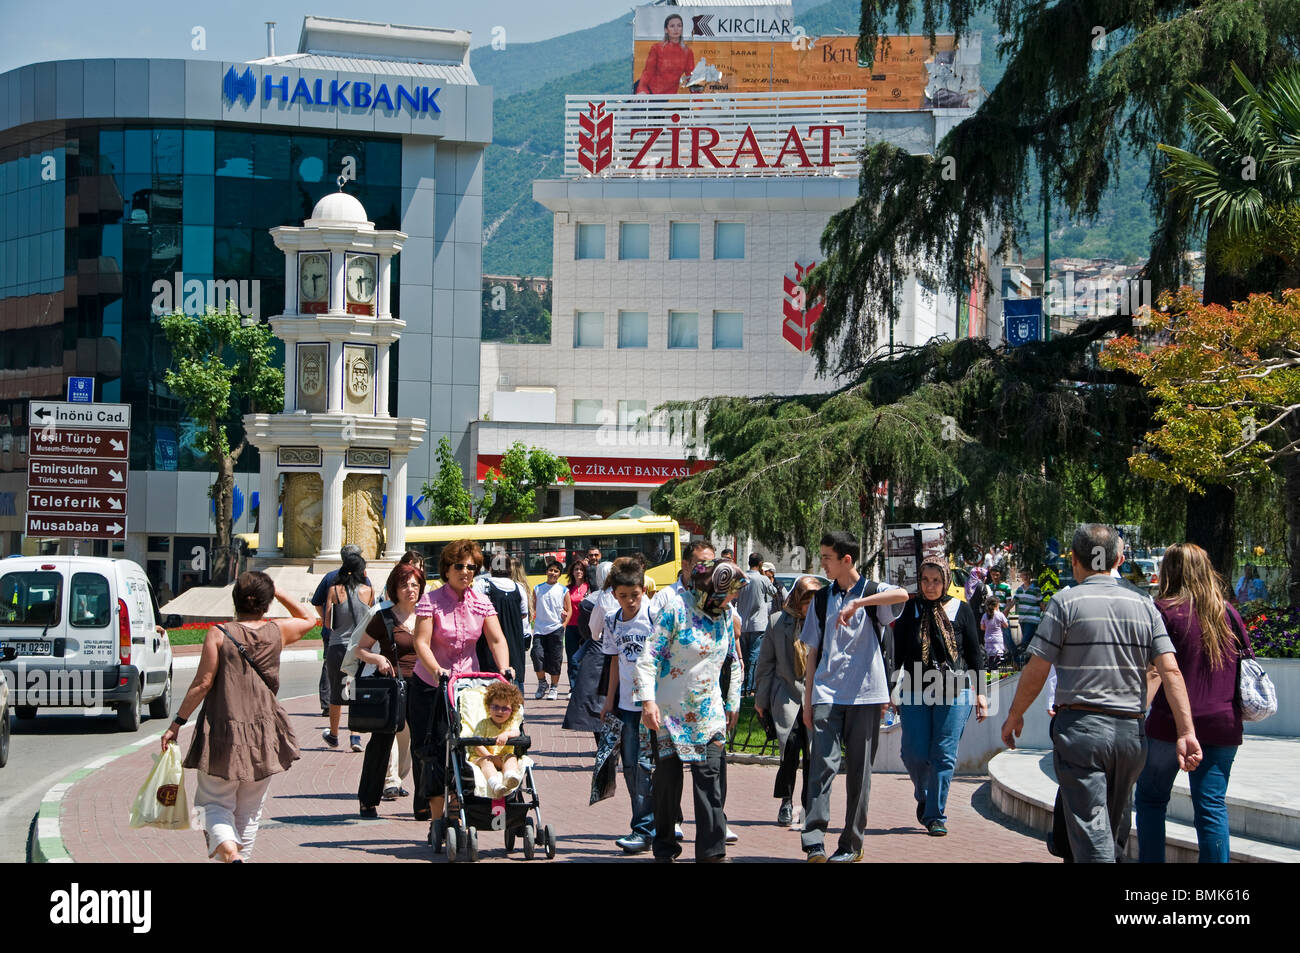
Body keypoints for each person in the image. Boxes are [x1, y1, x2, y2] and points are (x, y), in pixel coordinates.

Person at [1001, 524, 1202, 863]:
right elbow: (1169, 670)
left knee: (1092, 834)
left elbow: (1038, 667)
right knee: (1111, 829)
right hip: (1130, 735)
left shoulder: (1065, 603)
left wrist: (1015, 714)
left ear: (1074, 559)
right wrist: (1186, 731)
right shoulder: (1145, 605)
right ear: (1119, 560)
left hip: (1081, 732)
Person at [160, 572, 317, 862]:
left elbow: (202, 684)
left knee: (211, 804)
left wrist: (176, 724)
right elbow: (308, 618)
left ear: (235, 600)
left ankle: (231, 854)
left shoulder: (219, 634)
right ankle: (239, 858)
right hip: (264, 732)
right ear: (267, 602)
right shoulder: (277, 631)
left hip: (222, 730)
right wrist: (277, 590)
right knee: (250, 810)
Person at [1136, 543, 1251, 863]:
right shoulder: (1228, 613)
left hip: (1169, 723)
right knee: (1211, 806)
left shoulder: (1163, 612)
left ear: (1168, 571)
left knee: (1150, 799)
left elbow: (1151, 670)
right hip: (1222, 722)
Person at [799, 531, 908, 863]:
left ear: (846, 559)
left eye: (827, 558)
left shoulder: (873, 592)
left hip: (866, 696)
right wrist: (808, 701)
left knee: (860, 774)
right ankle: (814, 841)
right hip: (826, 694)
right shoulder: (821, 599)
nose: (822, 563)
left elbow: (903, 593)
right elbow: (812, 654)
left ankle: (851, 845)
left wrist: (859, 603)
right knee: (821, 766)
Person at [636, 558, 745, 862]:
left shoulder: (724, 614)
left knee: (710, 780)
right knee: (667, 784)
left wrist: (733, 700)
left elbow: (732, 660)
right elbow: (649, 657)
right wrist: (647, 701)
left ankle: (712, 853)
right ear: (711, 588)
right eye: (730, 592)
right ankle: (665, 848)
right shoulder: (676, 609)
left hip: (708, 712)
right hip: (669, 713)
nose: (733, 598)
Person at [409, 539, 514, 841]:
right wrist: (437, 670)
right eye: (459, 566)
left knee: (469, 746)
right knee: (434, 752)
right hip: (431, 687)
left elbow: (497, 640)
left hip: (467, 689)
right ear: (447, 568)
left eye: (471, 567)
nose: (465, 571)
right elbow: (421, 642)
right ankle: (437, 819)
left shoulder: (481, 601)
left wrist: (505, 669)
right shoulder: (430, 600)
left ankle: (459, 808)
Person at [891, 559, 988, 836]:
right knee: (913, 752)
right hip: (915, 687)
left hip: (955, 689)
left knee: (943, 753)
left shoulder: (962, 609)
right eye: (925, 580)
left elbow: (974, 654)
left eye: (936, 580)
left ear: (945, 581)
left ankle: (935, 815)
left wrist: (981, 693)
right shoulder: (910, 609)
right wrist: (893, 688)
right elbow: (898, 654)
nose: (930, 586)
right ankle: (923, 794)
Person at [354, 561, 424, 818]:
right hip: (392, 687)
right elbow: (360, 649)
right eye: (404, 585)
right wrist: (378, 659)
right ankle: (368, 800)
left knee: (423, 744)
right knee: (381, 743)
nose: (410, 589)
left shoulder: (427, 616)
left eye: (415, 585)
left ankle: (424, 803)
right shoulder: (383, 617)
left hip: (422, 686)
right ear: (395, 589)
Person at [598, 557, 659, 853]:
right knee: (633, 767)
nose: (630, 601)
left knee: (652, 767)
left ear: (643, 589)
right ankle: (645, 827)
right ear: (614, 595)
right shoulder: (612, 621)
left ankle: (653, 825)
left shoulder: (654, 616)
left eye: (634, 594)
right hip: (627, 705)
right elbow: (613, 662)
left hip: (654, 704)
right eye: (623, 596)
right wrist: (609, 701)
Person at [755, 574, 821, 827]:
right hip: (787, 694)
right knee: (790, 748)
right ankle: (786, 800)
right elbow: (766, 663)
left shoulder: (824, 623)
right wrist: (761, 700)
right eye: (806, 601)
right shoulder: (777, 622)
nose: (809, 607)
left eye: (814, 601)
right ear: (796, 599)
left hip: (815, 696)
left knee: (813, 753)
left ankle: (808, 804)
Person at [311, 544, 372, 715]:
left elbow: (317, 603)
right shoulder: (366, 584)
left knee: (330, 671)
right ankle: (354, 720)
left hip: (335, 637)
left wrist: (329, 621)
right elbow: (369, 613)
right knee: (356, 679)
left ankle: (327, 704)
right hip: (358, 640)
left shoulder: (330, 578)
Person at [323, 550, 374, 751]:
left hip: (337, 647)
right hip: (359, 648)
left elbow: (327, 622)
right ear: (362, 571)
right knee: (354, 692)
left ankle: (334, 735)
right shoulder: (368, 591)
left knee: (336, 693)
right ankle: (355, 737)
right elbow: (371, 618)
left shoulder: (334, 591)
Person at [475, 551, 530, 693]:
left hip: (488, 643)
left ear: (491, 568)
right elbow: (524, 614)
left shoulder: (482, 585)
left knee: (489, 681)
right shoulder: (518, 588)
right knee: (515, 679)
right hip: (514, 642)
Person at [468, 681, 525, 796]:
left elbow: (517, 732)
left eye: (505, 709)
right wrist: (490, 756)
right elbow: (477, 744)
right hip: (482, 756)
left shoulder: (511, 724)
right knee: (487, 762)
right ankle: (495, 785)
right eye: (495, 707)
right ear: (489, 707)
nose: (499, 711)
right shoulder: (483, 724)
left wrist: (506, 734)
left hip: (502, 757)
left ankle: (509, 777)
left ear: (512, 710)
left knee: (511, 757)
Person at [531, 558, 572, 701]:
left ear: (559, 574)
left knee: (555, 659)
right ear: (546, 571)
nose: (553, 573)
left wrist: (563, 625)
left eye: (556, 571)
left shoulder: (563, 590)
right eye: (551, 570)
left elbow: (569, 610)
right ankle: (542, 683)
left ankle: (554, 687)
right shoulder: (537, 588)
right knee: (536, 655)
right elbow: (533, 608)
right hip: (539, 630)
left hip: (556, 629)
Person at [737, 553, 777, 695]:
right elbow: (774, 592)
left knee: (743, 656)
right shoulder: (763, 579)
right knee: (754, 656)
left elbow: (733, 599)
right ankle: (750, 687)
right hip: (758, 624)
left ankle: (742, 686)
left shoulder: (741, 578)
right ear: (760, 564)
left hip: (742, 623)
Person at [635, 12, 695, 95]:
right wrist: (642, 89)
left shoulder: (687, 52)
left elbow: (691, 79)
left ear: (682, 29)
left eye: (679, 26)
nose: (676, 29)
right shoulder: (656, 48)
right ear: (666, 30)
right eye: (672, 26)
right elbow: (648, 72)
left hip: (666, 95)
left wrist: (698, 101)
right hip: (647, 90)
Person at [563, 559, 590, 694]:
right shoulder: (567, 589)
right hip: (571, 626)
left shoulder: (589, 587)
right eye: (576, 569)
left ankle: (585, 687)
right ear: (572, 572)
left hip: (586, 627)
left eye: (581, 569)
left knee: (586, 658)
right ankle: (573, 688)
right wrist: (563, 612)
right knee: (572, 658)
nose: (578, 571)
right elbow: (563, 606)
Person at [1012, 569, 1042, 664]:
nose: (1026, 577)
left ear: (1030, 576)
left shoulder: (1036, 589)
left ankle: (1021, 661)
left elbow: (1041, 604)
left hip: (1032, 620)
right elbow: (1013, 601)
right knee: (1029, 642)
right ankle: (1030, 662)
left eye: (1028, 574)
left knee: (1025, 641)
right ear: (1021, 576)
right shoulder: (1019, 589)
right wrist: (1006, 610)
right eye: (1024, 575)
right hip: (1023, 620)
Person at [979, 595, 1010, 668]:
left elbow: (982, 627)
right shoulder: (1000, 615)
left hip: (988, 638)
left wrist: (988, 627)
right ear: (996, 605)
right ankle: (996, 671)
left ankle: (990, 670)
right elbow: (1006, 625)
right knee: (998, 657)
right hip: (998, 638)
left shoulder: (985, 615)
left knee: (990, 657)